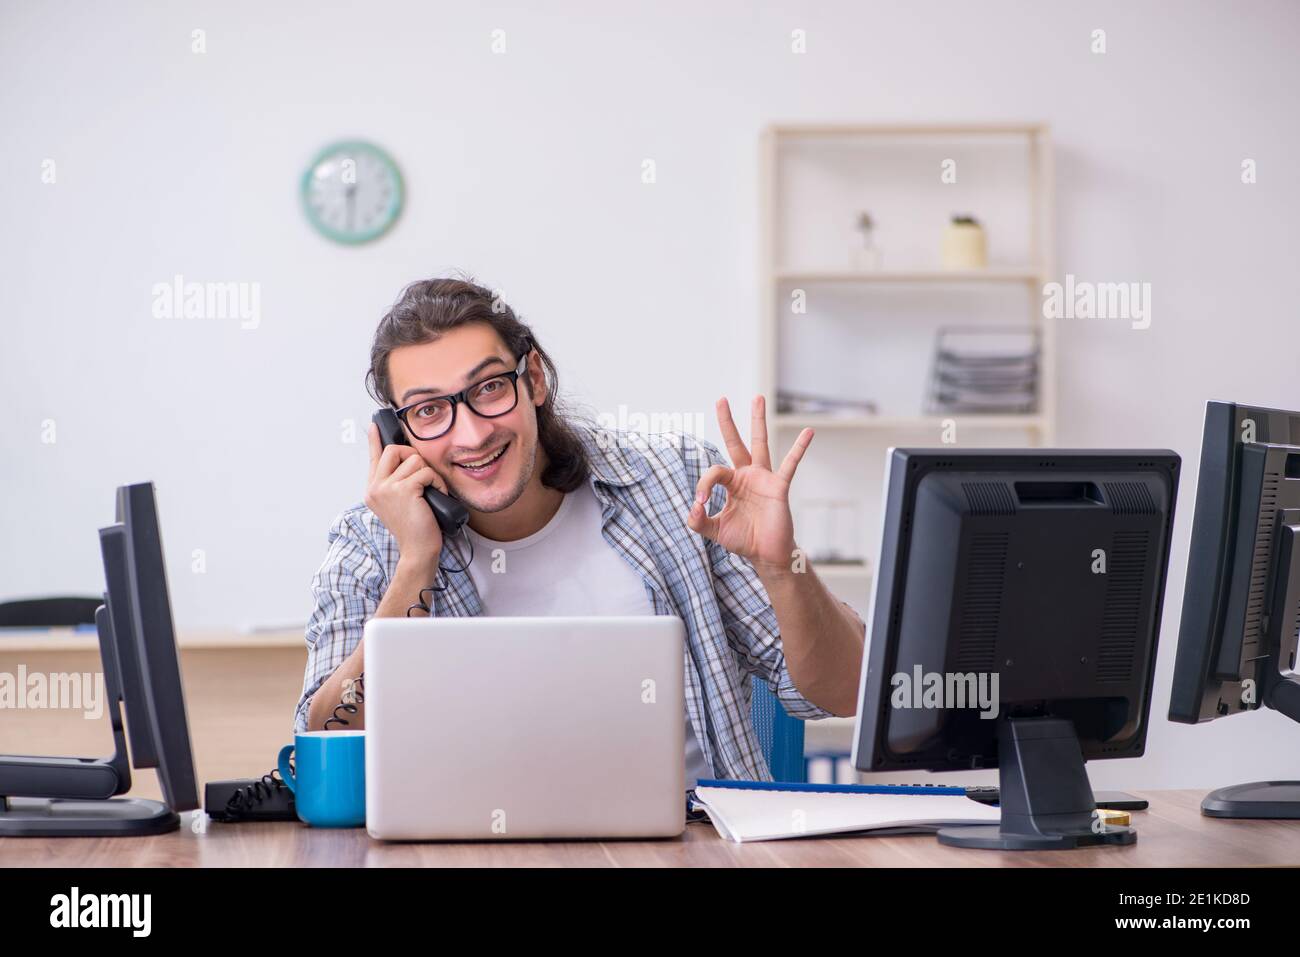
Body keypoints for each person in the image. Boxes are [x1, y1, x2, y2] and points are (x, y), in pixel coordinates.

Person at [294, 277, 866, 783]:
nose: (469, 435)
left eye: (490, 388)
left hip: (697, 845)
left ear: (534, 379)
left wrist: (781, 565)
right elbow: (328, 742)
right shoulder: (369, 543)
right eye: (428, 411)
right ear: (397, 432)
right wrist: (416, 560)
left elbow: (845, 693)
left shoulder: (679, 481)